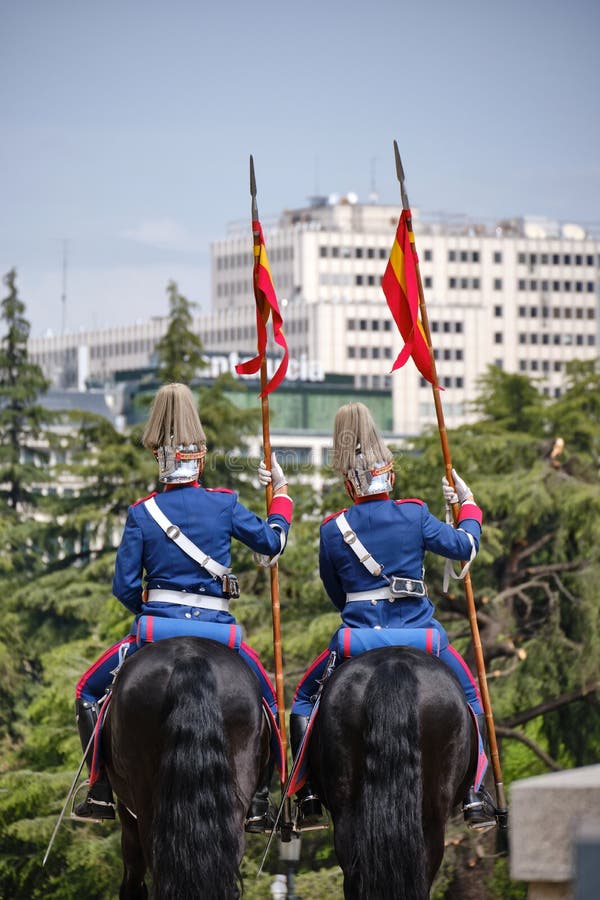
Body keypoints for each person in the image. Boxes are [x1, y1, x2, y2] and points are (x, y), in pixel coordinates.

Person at [73, 382, 293, 830]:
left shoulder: (142, 512)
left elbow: (123, 587)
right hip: (220, 631)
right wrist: (281, 495)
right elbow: (273, 542)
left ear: (161, 461)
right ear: (200, 460)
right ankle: (260, 800)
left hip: (155, 632)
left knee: (86, 692)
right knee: (269, 704)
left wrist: (151, 613)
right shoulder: (225, 503)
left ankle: (98, 790)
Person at [285, 402, 496, 830]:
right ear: (391, 475)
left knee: (304, 700)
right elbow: (464, 548)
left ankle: (306, 792)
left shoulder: (332, 528)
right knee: (472, 699)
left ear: (349, 484)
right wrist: (468, 506)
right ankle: (475, 793)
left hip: (356, 642)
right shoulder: (415, 513)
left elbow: (336, 594)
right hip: (422, 639)